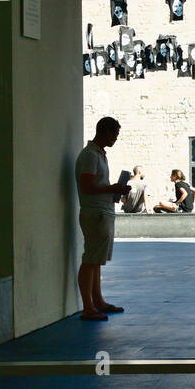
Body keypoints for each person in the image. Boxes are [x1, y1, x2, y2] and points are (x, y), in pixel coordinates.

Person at [75, 116, 131, 321]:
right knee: (90, 259)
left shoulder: (98, 155)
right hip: (95, 212)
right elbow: (86, 186)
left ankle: (97, 301)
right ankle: (88, 306)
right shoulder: (90, 155)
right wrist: (112, 188)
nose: (116, 138)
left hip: (102, 211)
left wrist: (113, 190)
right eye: (114, 133)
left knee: (95, 260)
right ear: (105, 132)